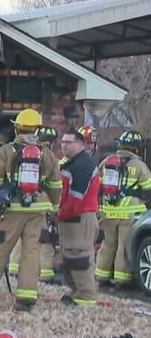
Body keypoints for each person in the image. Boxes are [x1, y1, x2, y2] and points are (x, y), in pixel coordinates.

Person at [0, 108, 62, 312]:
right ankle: (26, 299)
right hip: (38, 211)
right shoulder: (48, 155)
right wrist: (53, 207)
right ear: (37, 129)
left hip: (10, 210)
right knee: (31, 253)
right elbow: (56, 186)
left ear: (17, 127)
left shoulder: (5, 152)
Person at [96, 130, 151, 288]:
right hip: (128, 214)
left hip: (107, 213)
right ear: (136, 148)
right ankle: (122, 280)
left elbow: (97, 186)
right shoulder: (139, 165)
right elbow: (148, 188)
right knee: (123, 246)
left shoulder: (106, 162)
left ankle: (101, 277)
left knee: (107, 244)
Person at [8, 125, 59, 283]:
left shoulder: (20, 153)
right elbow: (55, 186)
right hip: (41, 205)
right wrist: (55, 207)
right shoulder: (50, 158)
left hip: (18, 203)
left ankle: (13, 270)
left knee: (18, 238)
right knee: (43, 241)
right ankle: (45, 275)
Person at [57, 126, 101, 306]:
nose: (64, 146)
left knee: (79, 257)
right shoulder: (72, 163)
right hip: (71, 219)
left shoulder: (83, 165)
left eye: (68, 142)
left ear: (80, 144)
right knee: (69, 258)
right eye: (62, 142)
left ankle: (86, 297)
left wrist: (60, 213)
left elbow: (76, 198)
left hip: (80, 218)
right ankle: (77, 292)